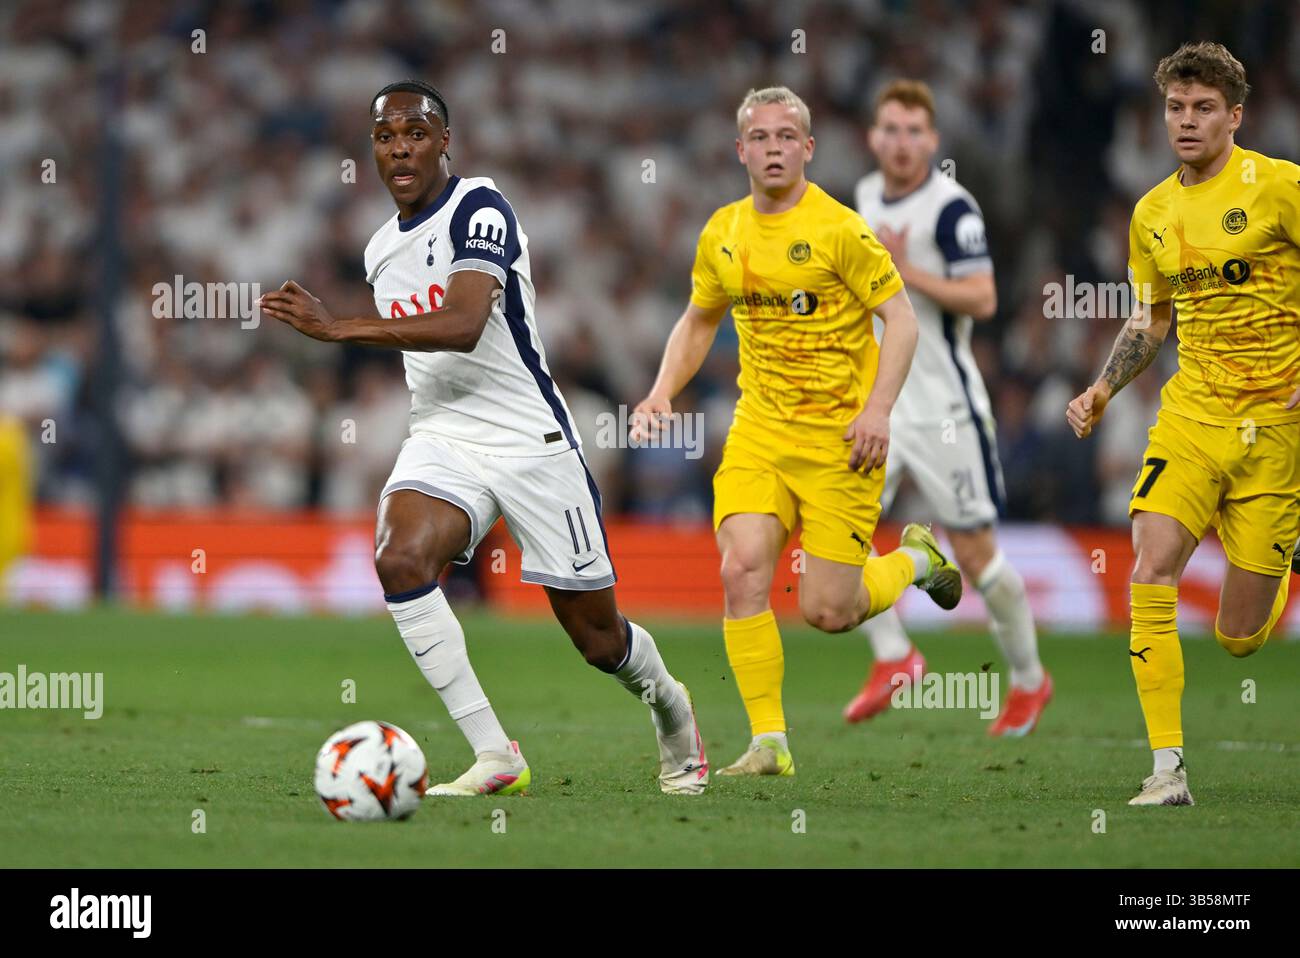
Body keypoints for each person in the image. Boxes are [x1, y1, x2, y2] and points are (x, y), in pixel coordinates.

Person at [261, 81, 707, 796]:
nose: (400, 146)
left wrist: (336, 327)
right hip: (444, 434)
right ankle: (496, 753)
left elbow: (464, 324)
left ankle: (670, 704)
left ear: (445, 142)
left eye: (416, 131)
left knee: (598, 641)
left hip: (531, 439)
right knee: (400, 558)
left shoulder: (480, 207)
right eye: (384, 136)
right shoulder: (380, 249)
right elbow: (421, 348)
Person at [633, 86, 959, 777]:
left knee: (830, 612)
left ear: (807, 149)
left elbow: (901, 321)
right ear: (741, 150)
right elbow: (698, 319)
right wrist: (662, 391)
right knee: (741, 566)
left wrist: (877, 411)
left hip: (842, 440)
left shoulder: (840, 230)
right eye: (760, 137)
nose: (773, 148)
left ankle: (920, 561)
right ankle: (770, 742)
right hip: (760, 431)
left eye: (787, 137)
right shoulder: (722, 232)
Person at [1066, 43, 1300, 806]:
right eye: (1176, 107)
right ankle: (1167, 771)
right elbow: (1151, 318)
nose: (1187, 121)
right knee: (1151, 562)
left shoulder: (1280, 188)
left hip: (1275, 429)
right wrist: (1102, 390)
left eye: (1204, 108)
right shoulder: (1152, 212)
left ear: (1236, 115)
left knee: (1238, 636)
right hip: (1193, 415)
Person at [850, 79, 1051, 736]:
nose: (902, 143)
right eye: (891, 129)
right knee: (838, 536)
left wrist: (907, 271)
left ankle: (1028, 680)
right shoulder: (862, 197)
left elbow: (985, 298)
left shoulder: (950, 208)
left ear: (933, 141)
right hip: (881, 402)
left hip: (945, 408)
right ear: (873, 137)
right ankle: (896, 656)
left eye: (914, 131)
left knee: (976, 553)